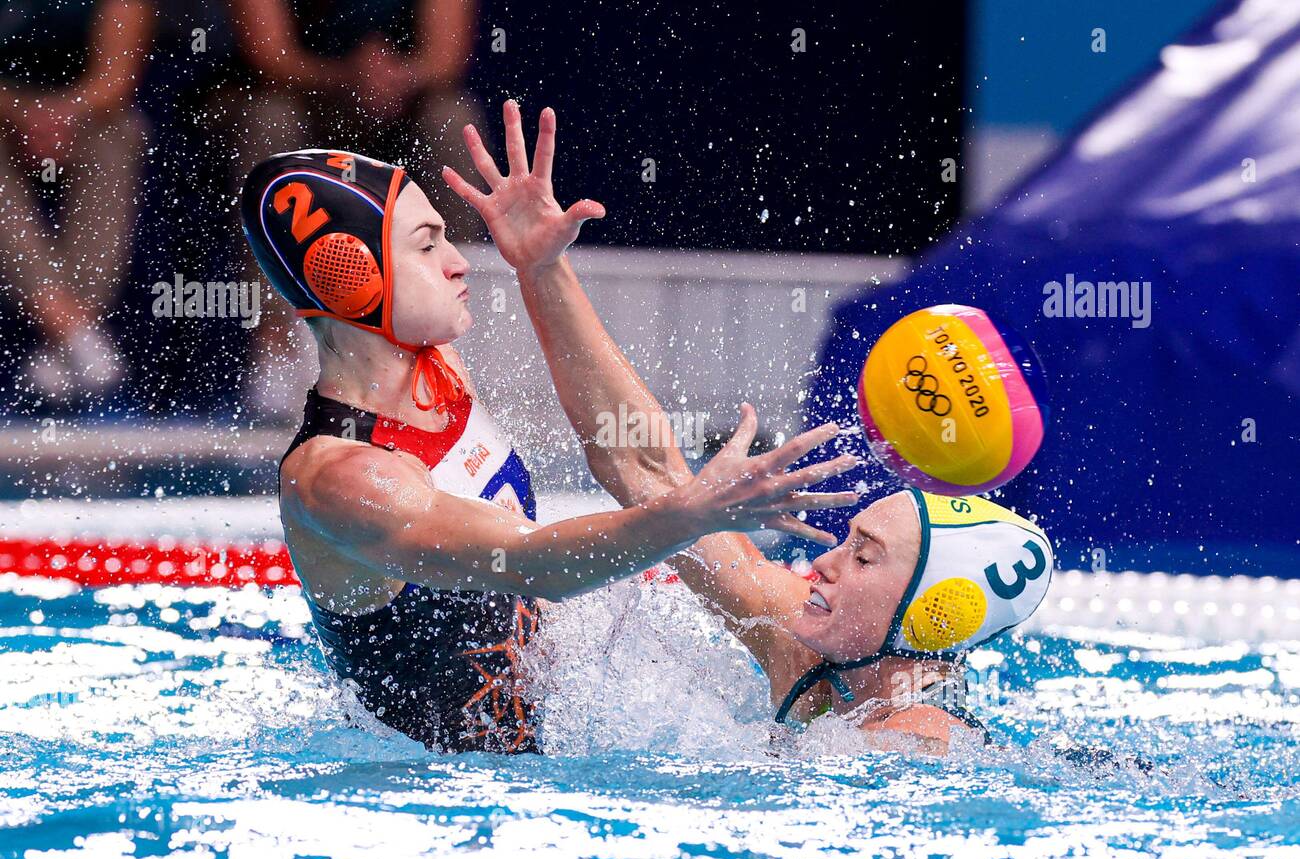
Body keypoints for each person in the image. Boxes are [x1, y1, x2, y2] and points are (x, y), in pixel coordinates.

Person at [238, 102, 862, 754]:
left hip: (541, 757)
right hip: (450, 809)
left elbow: (638, 466)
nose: (457, 261)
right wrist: (689, 512)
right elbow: (536, 564)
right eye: (427, 244)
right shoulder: (342, 481)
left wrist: (540, 268)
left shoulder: (433, 370)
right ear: (349, 277)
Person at [437, 107, 1056, 755]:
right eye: (849, 543)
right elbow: (647, 476)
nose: (818, 564)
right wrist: (542, 270)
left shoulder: (925, 749)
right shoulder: (808, 644)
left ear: (932, 618)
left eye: (864, 556)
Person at [224, 0, 488, 420]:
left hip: (403, 101)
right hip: (308, 98)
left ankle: (455, 337)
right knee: (268, 118)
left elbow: (445, 56)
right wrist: (348, 77)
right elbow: (268, 54)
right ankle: (274, 344)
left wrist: (397, 76)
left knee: (451, 117)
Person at [0, 0, 154, 402]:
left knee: (119, 132)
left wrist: (63, 113)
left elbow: (116, 77)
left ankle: (65, 341)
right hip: (6, 116)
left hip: (80, 115)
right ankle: (73, 331)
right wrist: (21, 113)